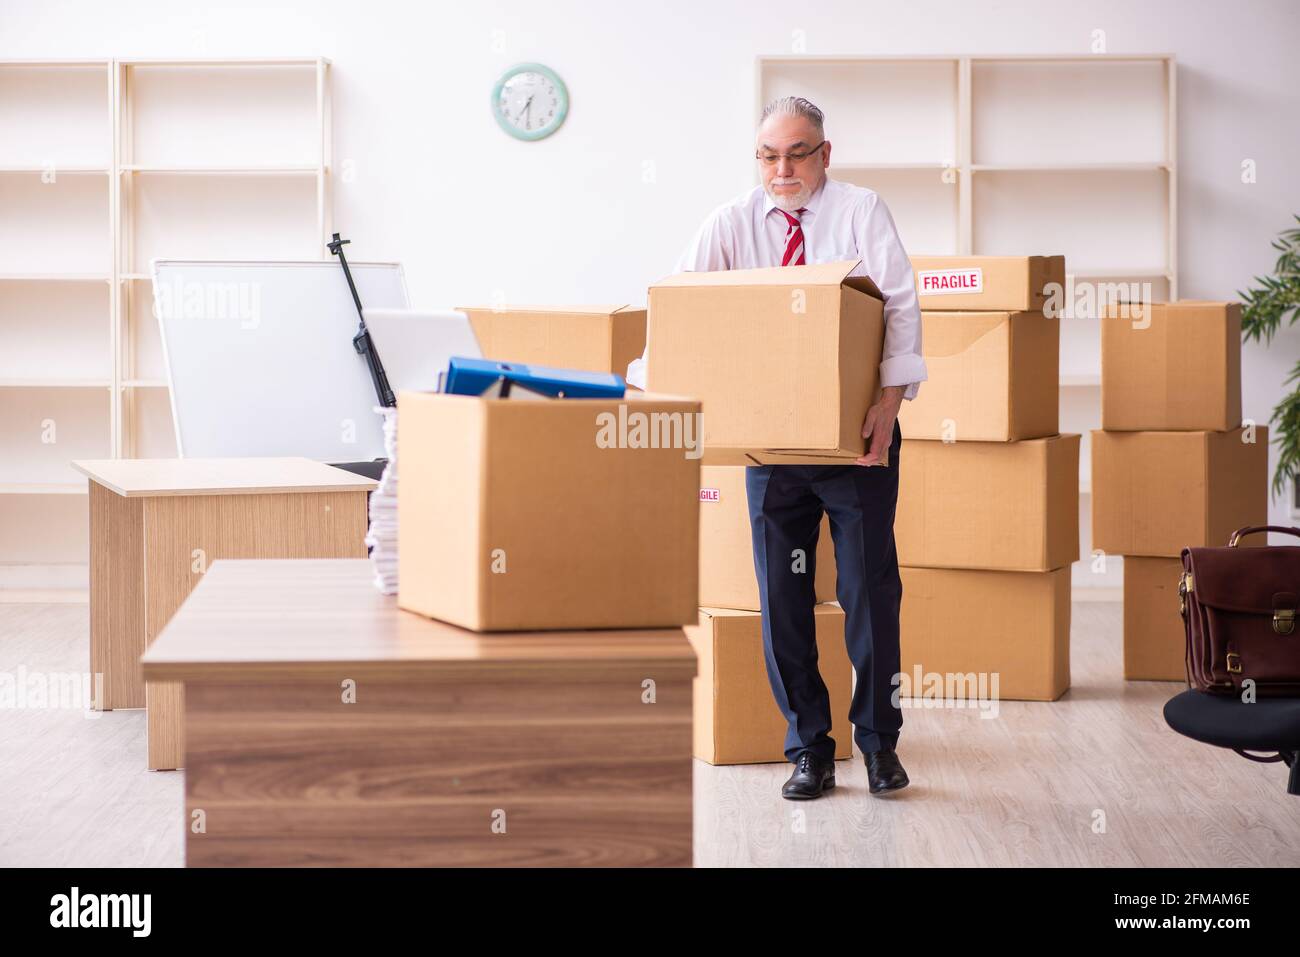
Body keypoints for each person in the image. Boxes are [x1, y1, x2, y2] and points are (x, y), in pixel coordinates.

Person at [627, 96, 927, 799]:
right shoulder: (729, 224)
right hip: (770, 449)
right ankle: (809, 749)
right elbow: (681, 308)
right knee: (783, 597)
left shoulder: (859, 210)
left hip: (855, 439)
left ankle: (879, 743)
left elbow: (902, 305)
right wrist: (648, 391)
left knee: (867, 591)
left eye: (798, 152)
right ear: (756, 158)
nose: (782, 168)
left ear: (825, 153)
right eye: (769, 155)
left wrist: (890, 405)